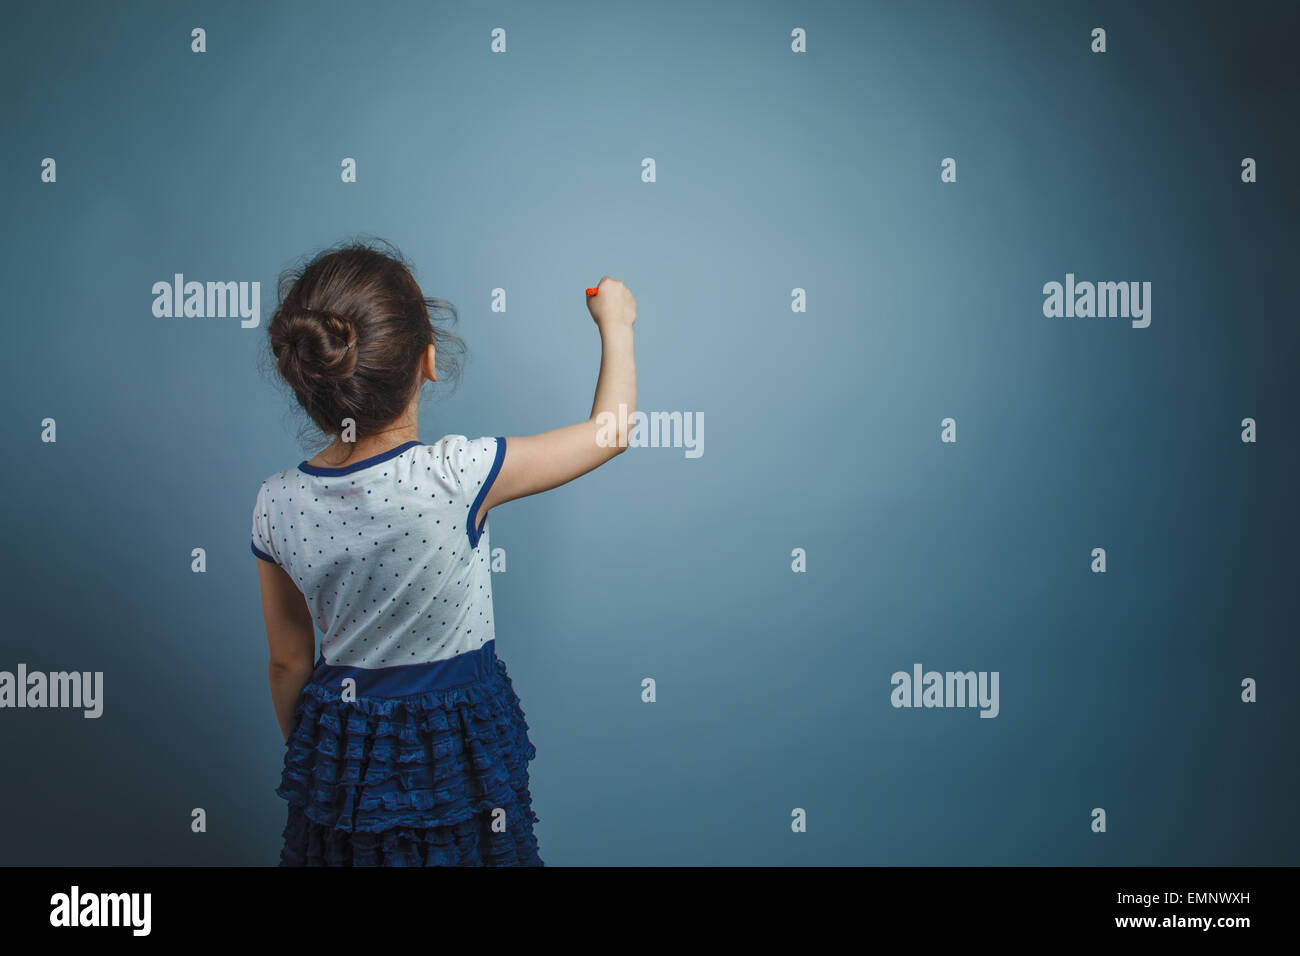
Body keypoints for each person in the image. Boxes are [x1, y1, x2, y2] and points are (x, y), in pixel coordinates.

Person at [250, 238, 637, 865]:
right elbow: (611, 433)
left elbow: (286, 663)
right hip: (455, 748)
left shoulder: (275, 502)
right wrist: (616, 324)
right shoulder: (459, 474)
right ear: (429, 360)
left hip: (340, 749)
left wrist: (327, 764)